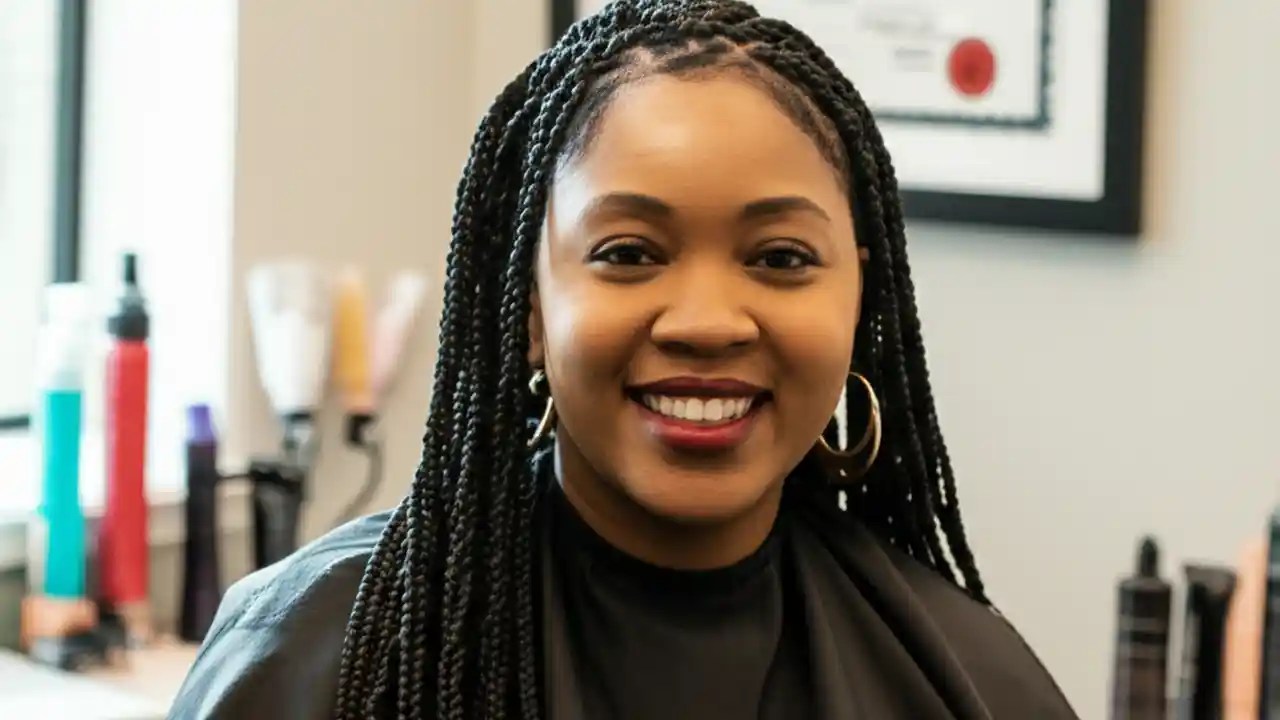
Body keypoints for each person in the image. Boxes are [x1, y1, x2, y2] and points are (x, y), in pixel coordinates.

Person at [171, 1, 1078, 718]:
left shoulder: (974, 683)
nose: (709, 322)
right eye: (629, 253)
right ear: (528, 308)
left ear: (857, 301)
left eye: (781, 258)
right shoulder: (317, 658)